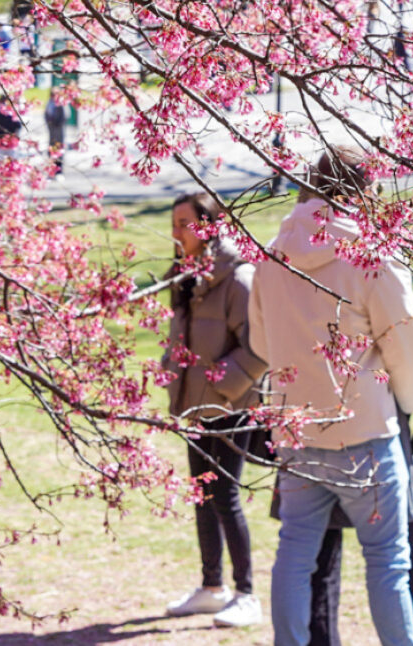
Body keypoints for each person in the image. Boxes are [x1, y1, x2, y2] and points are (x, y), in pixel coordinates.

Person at [249, 148, 413, 646]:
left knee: (295, 552)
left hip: (297, 428)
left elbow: (263, 344)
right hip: (365, 430)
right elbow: (405, 343)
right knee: (388, 561)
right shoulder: (372, 257)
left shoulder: (273, 252)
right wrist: (409, 402)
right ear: (364, 191)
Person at [159, 193, 267, 629]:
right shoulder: (185, 278)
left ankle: (247, 593)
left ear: (208, 226)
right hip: (195, 407)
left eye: (184, 223)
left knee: (224, 496)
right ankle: (211, 587)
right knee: (202, 494)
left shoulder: (238, 279)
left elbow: (259, 347)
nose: (176, 232)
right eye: (174, 223)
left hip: (231, 406)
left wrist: (222, 385)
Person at [306, 367, 413, 646]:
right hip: (329, 421)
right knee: (316, 564)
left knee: (404, 557)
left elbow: (402, 336)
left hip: (362, 420)